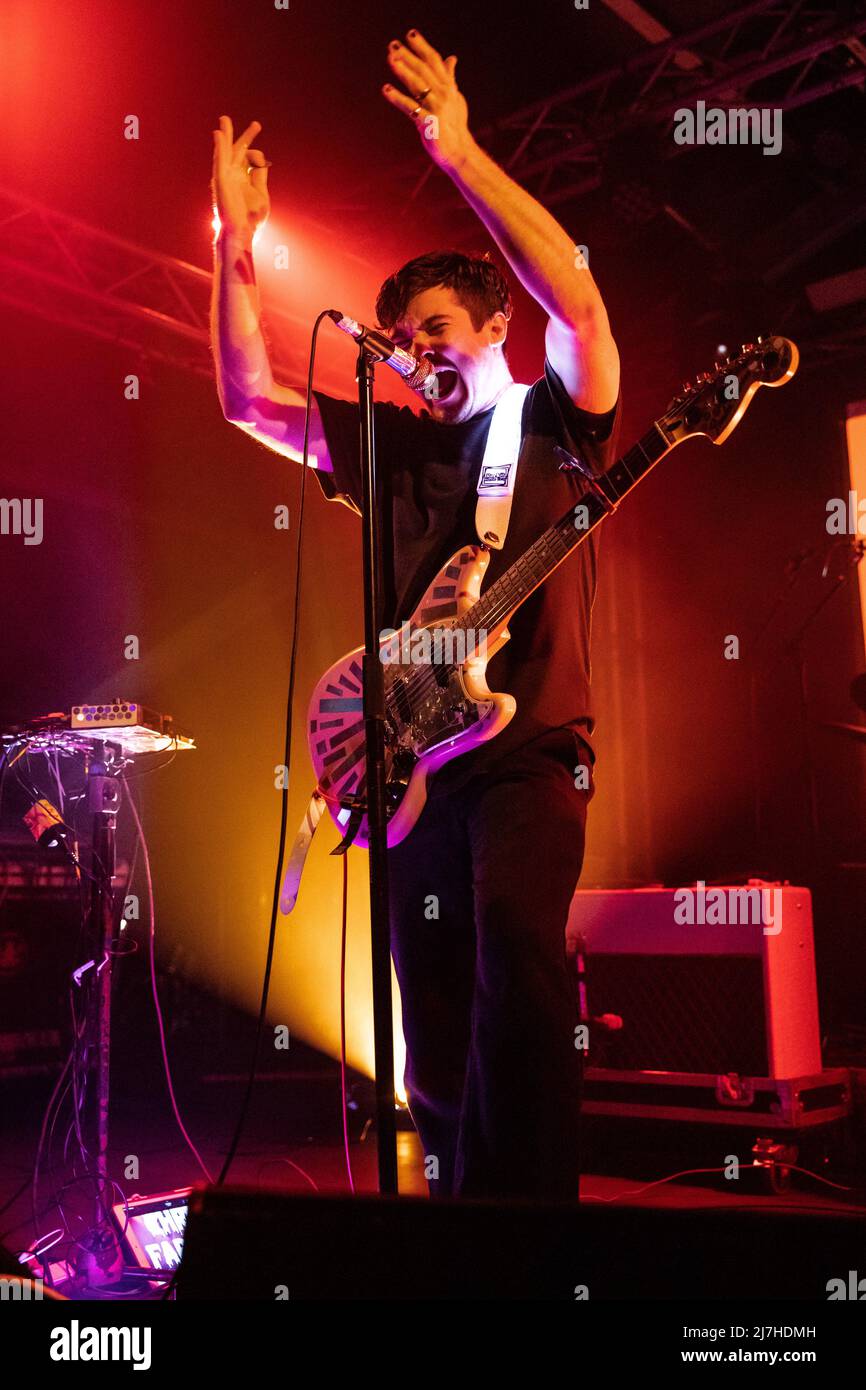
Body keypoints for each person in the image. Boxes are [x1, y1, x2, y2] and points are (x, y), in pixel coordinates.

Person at [210, 28, 621, 1200]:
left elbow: (581, 304)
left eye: (436, 330)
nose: (415, 352)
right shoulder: (383, 449)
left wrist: (460, 154)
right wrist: (238, 249)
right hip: (407, 767)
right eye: (403, 341)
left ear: (492, 331)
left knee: (519, 965)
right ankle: (453, 1219)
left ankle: (531, 1223)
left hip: (528, 755)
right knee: (429, 1005)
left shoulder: (549, 423)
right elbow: (246, 393)